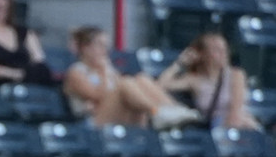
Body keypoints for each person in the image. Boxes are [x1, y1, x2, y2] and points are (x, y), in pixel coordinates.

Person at [62, 26, 201, 129]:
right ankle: (157, 111)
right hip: (92, 124)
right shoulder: (76, 72)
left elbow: (128, 95)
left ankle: (175, 110)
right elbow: (100, 96)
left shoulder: (110, 71)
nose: (105, 50)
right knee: (125, 83)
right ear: (86, 48)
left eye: (106, 45)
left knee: (142, 79)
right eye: (100, 45)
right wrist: (104, 72)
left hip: (120, 116)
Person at [156, 31, 260, 130]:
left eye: (224, 49)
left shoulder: (236, 74)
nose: (223, 53)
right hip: (214, 125)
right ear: (203, 54)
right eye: (216, 50)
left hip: (238, 123)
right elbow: (161, 85)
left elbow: (236, 110)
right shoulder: (193, 80)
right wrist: (179, 63)